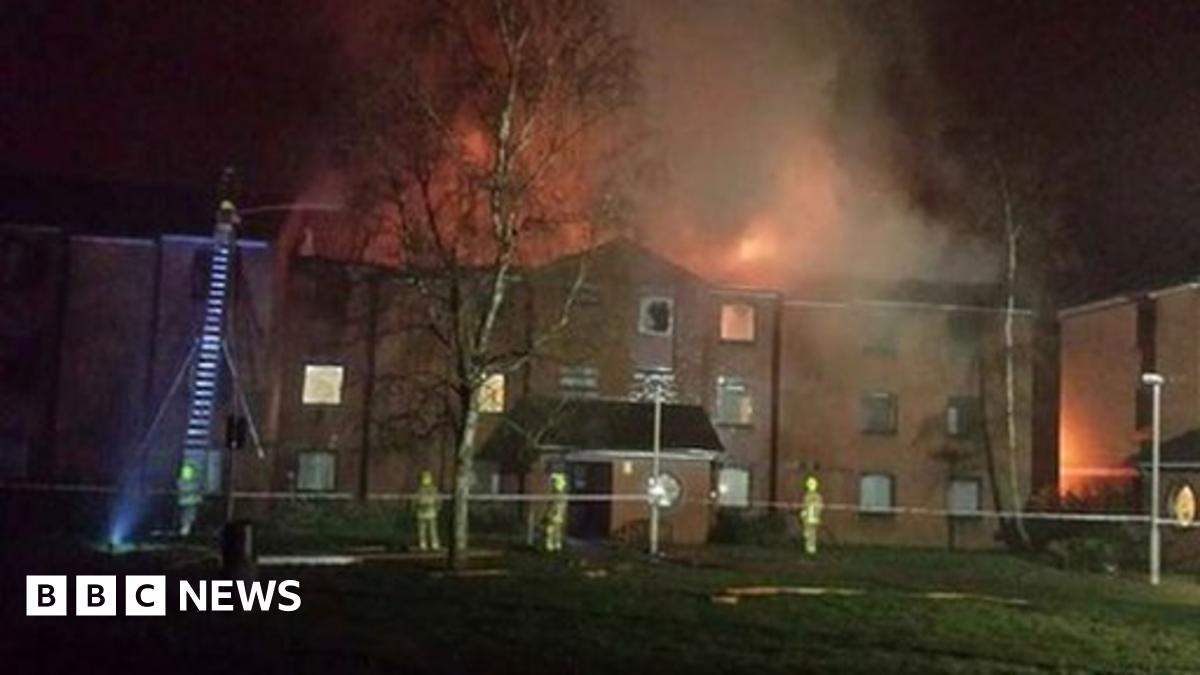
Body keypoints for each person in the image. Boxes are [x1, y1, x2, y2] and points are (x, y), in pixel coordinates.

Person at [415, 471, 441, 551]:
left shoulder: (433, 489)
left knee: (432, 529)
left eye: (427, 477)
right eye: (424, 477)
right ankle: (423, 543)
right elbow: (415, 501)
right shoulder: (419, 490)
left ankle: (434, 543)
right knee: (422, 530)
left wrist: (437, 508)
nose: (425, 479)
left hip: (431, 512)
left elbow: (438, 500)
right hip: (421, 513)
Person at [543, 472, 568, 553]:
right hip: (557, 515)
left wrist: (549, 513)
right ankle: (555, 545)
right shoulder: (560, 495)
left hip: (556, 515)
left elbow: (554, 506)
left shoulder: (558, 495)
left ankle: (552, 545)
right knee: (555, 530)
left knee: (552, 530)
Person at [177, 461, 202, 537]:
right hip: (185, 501)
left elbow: (198, 489)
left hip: (192, 501)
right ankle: (185, 527)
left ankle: (188, 527)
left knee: (190, 513)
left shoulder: (196, 481)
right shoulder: (181, 481)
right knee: (186, 514)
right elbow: (182, 488)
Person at [800, 475, 824, 555]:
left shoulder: (817, 496)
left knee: (812, 532)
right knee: (807, 533)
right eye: (810, 484)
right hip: (807, 517)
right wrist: (803, 512)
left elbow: (819, 506)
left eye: (812, 484)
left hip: (814, 517)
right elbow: (804, 505)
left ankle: (811, 548)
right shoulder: (806, 496)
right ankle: (808, 547)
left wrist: (817, 514)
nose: (811, 486)